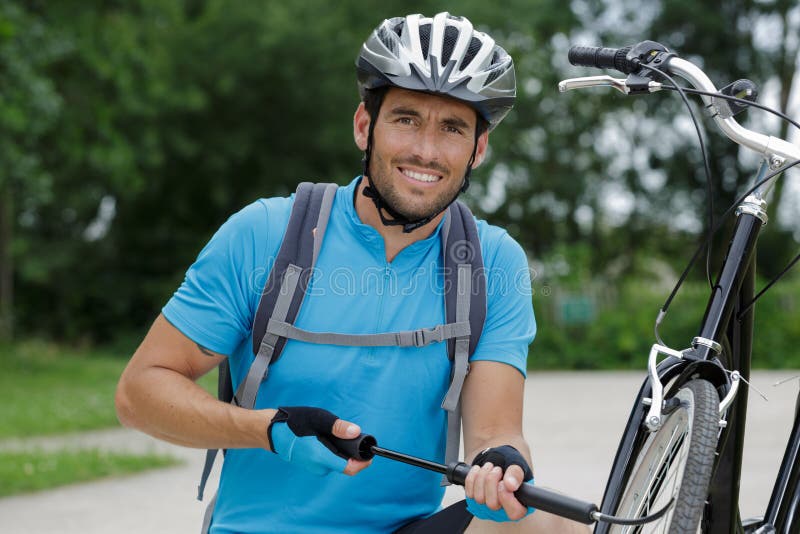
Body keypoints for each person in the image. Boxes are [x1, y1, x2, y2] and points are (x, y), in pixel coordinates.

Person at [116, 12, 588, 534]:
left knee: (544, 524)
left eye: (452, 128)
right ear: (365, 127)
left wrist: (499, 466)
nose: (425, 151)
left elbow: (496, 430)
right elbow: (140, 393)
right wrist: (268, 429)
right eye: (406, 118)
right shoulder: (264, 234)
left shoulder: (492, 261)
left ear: (478, 149)